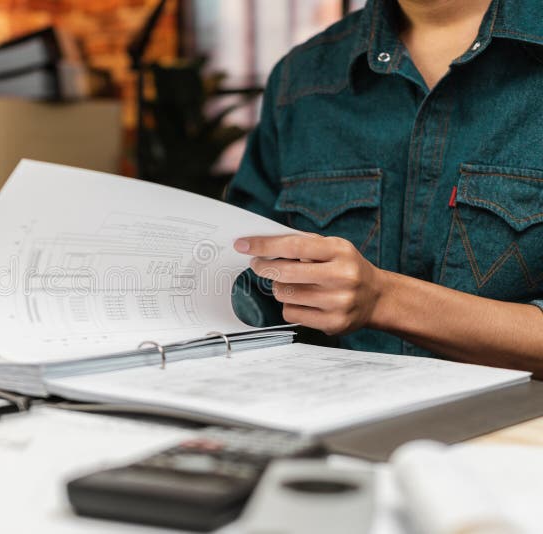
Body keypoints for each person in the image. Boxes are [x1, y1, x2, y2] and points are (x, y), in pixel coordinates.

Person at [227, 0, 543, 376]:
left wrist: (383, 299)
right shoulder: (301, 80)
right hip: (326, 414)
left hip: (511, 429)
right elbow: (245, 279)